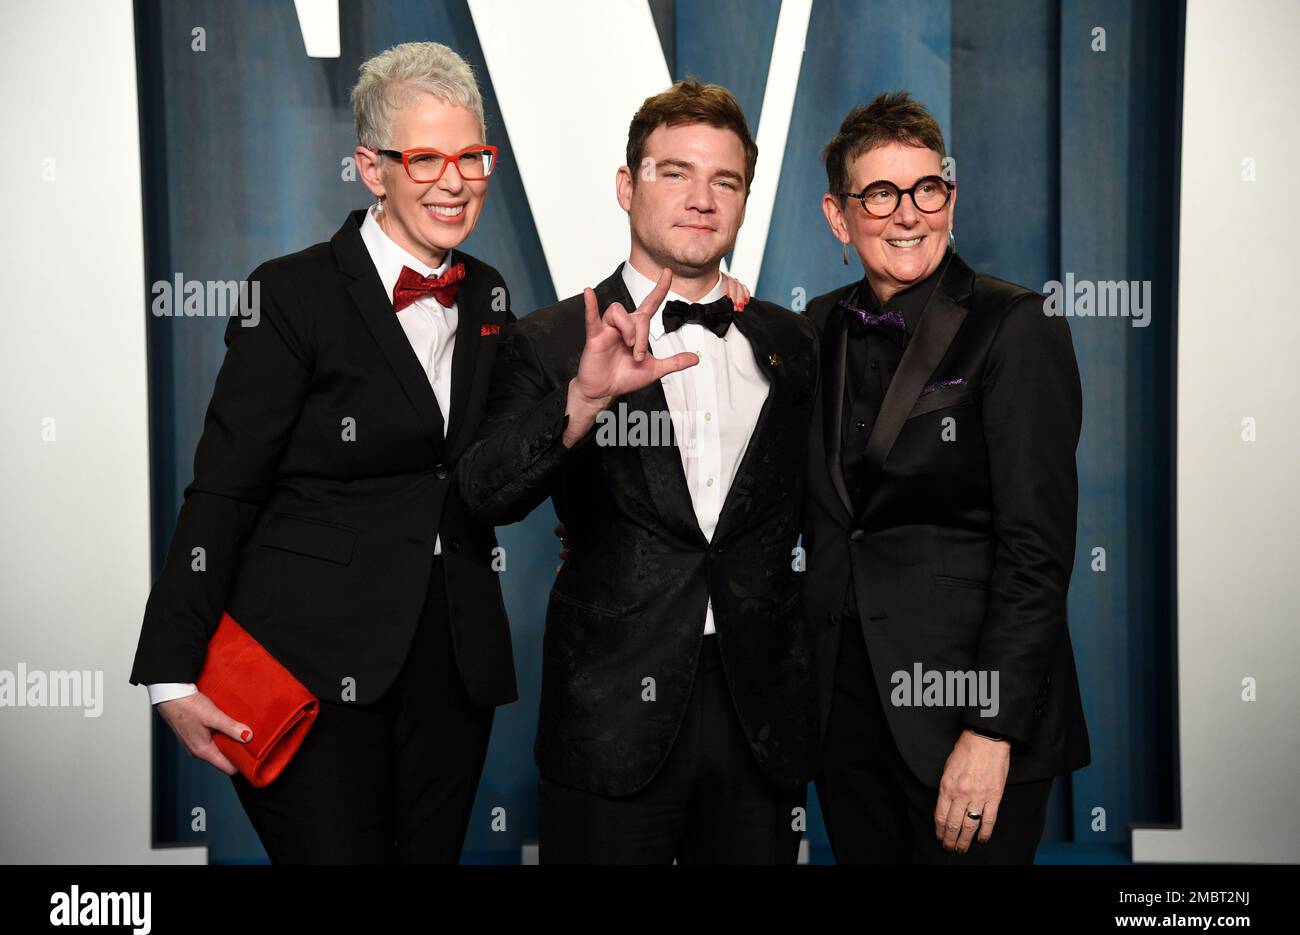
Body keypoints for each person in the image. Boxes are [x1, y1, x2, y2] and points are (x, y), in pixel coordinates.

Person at [128, 41, 518, 863]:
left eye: (472, 156)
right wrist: (170, 671)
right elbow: (224, 489)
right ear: (372, 170)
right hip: (307, 664)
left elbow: (486, 465)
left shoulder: (489, 294)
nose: (455, 180)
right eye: (425, 157)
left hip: (453, 667)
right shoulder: (294, 292)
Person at [457, 79, 817, 864]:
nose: (701, 197)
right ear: (628, 186)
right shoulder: (551, 339)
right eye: (674, 172)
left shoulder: (792, 342)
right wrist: (581, 401)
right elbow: (483, 492)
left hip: (763, 717)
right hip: (610, 716)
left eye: (725, 180)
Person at [801, 91, 1091, 864]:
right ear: (839, 216)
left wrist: (992, 729)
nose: (908, 214)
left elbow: (1037, 551)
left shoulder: (1015, 325)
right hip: (847, 720)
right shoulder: (810, 330)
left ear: (950, 197)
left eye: (927, 189)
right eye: (880, 194)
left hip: (968, 719)